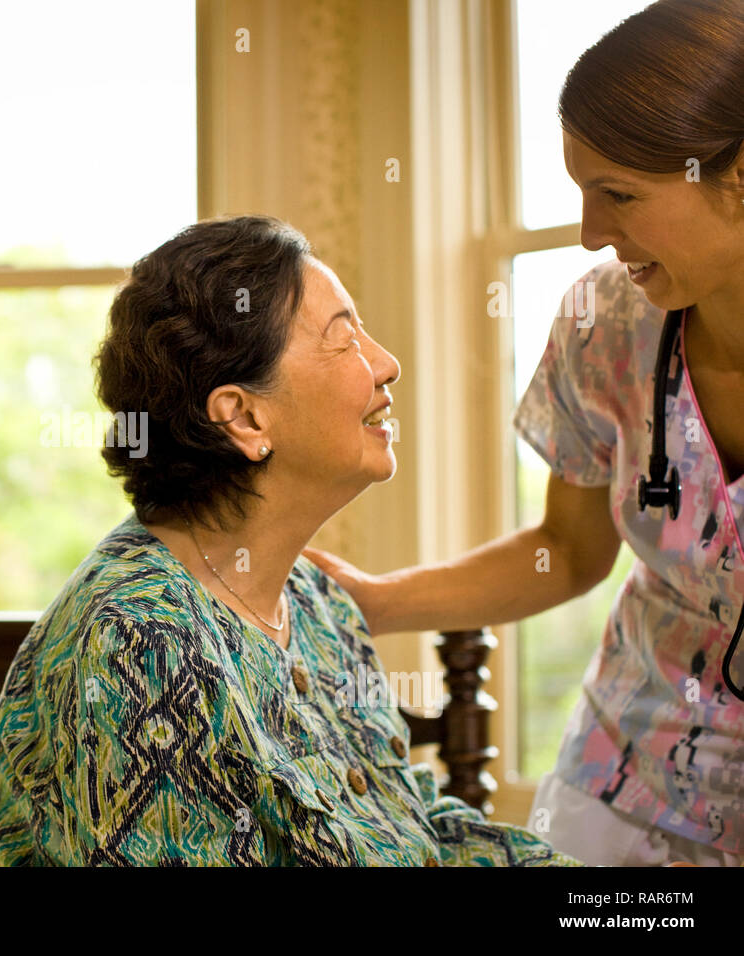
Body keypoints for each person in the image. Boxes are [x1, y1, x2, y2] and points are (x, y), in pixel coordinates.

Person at [0, 215, 582, 866]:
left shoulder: (317, 603)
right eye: (344, 339)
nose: (387, 365)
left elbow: (412, 826)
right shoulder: (142, 645)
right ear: (244, 416)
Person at [304, 0, 744, 866]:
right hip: (629, 771)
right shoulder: (605, 323)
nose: (589, 234)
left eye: (619, 195)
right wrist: (379, 600)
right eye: (582, 193)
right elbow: (566, 551)